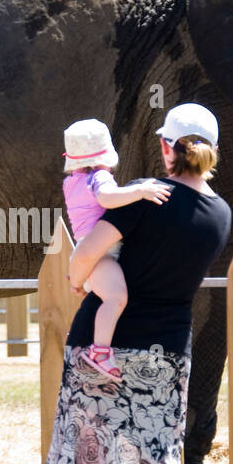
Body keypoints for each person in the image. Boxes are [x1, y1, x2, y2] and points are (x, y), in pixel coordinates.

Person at [44, 102, 232, 464]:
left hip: (100, 347)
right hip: (165, 350)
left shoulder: (144, 197)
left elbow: (85, 254)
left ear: (167, 147)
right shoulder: (221, 214)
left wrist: (80, 280)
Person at [62, 119, 171, 380]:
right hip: (101, 253)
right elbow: (107, 198)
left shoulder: (71, 182)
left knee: (107, 299)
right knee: (116, 298)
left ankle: (91, 341)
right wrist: (140, 191)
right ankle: (100, 350)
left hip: (89, 252)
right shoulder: (99, 177)